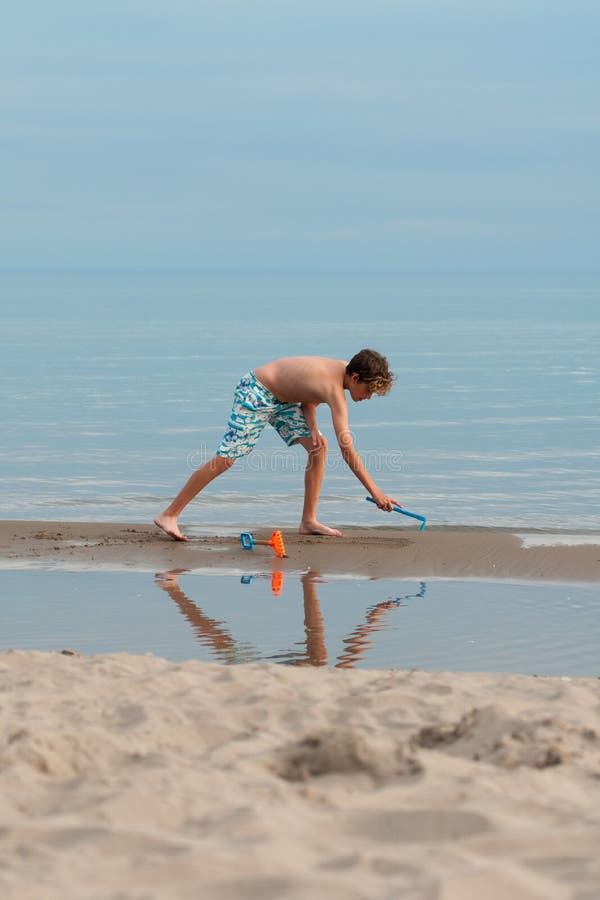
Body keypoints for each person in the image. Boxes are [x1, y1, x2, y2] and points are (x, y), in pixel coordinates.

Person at [154, 348, 401, 541]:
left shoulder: (342, 371)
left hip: (282, 400)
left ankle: (308, 521)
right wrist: (376, 493)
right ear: (355, 377)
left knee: (318, 447)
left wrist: (312, 425)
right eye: (368, 390)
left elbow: (308, 396)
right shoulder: (335, 390)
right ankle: (169, 515)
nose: (368, 397)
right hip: (256, 391)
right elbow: (347, 449)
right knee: (227, 458)